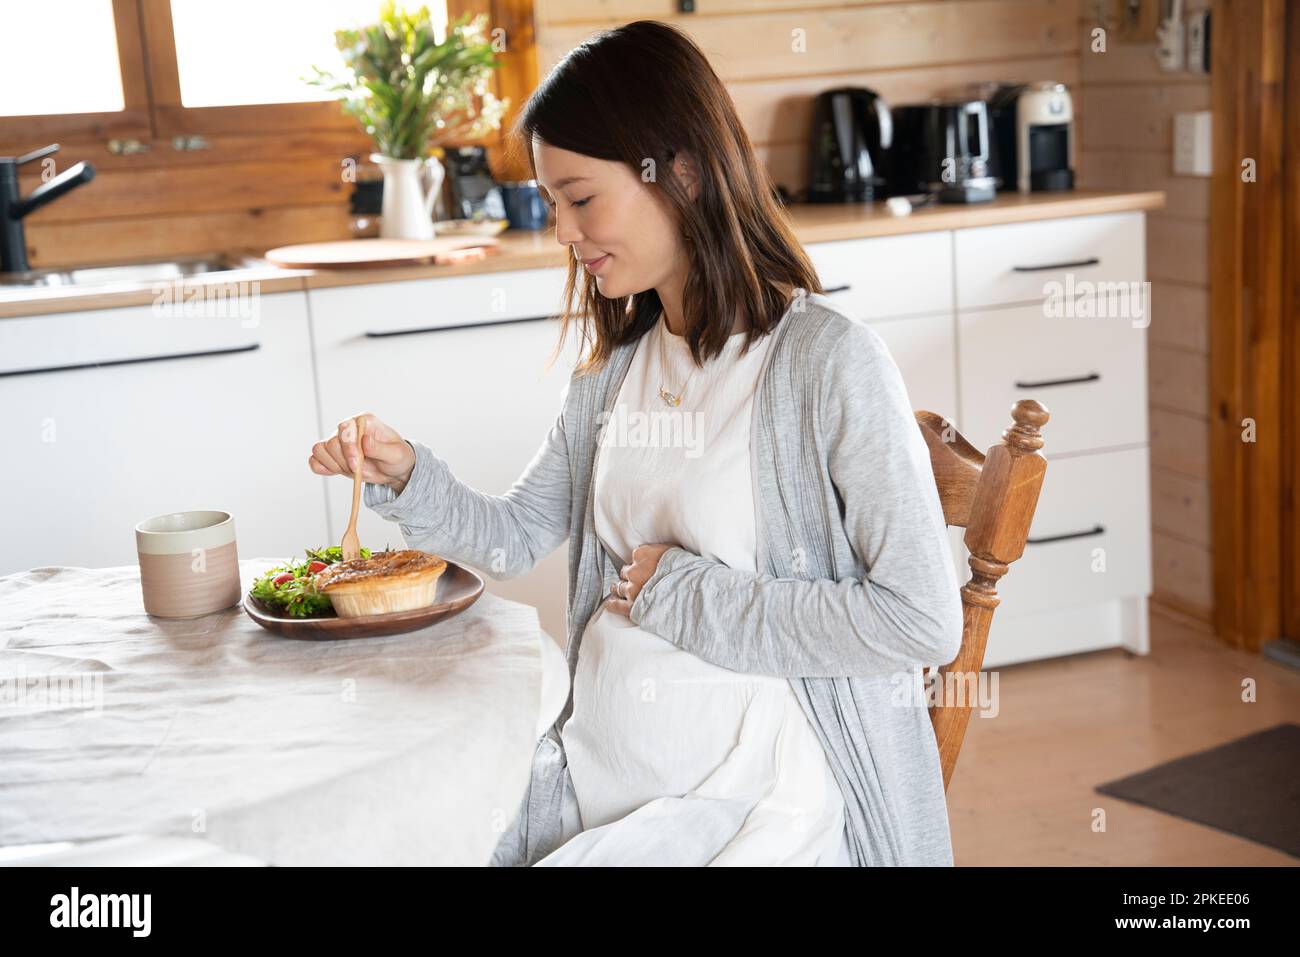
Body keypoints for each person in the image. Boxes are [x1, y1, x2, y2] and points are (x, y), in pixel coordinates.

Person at [308, 19, 964, 866]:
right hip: (594, 772)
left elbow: (919, 619)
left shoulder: (828, 364)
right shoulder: (615, 371)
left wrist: (682, 592)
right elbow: (512, 536)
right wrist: (407, 477)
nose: (562, 231)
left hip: (746, 800)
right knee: (378, 822)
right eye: (553, 203)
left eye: (581, 199)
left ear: (681, 174)